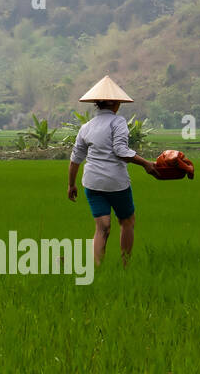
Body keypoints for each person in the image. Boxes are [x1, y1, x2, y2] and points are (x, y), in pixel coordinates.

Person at [66, 75, 160, 266]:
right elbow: (121, 151)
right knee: (127, 221)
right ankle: (126, 265)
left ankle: (97, 268)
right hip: (116, 183)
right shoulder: (117, 123)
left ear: (97, 104)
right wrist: (146, 164)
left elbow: (75, 159)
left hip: (92, 184)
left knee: (102, 227)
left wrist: (71, 184)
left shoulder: (86, 127)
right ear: (116, 103)